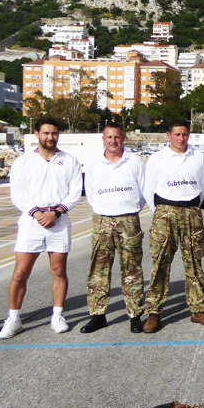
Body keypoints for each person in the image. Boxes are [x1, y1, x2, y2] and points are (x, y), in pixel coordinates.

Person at [0, 117, 82, 338]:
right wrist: (37, 214)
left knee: (59, 271)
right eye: (46, 133)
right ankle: (14, 319)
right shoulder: (23, 162)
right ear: (37, 134)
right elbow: (18, 194)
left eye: (54, 133)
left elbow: (74, 192)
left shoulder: (70, 160)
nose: (50, 137)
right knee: (20, 273)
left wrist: (56, 213)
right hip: (31, 222)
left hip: (59, 220)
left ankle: (57, 316)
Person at [140, 120, 204, 333]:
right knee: (160, 263)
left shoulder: (198, 157)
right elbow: (149, 190)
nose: (181, 138)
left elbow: (201, 188)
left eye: (185, 134)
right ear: (168, 135)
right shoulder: (157, 159)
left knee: (194, 262)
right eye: (177, 134)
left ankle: (198, 309)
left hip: (191, 211)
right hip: (165, 212)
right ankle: (154, 312)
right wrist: (161, 213)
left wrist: (190, 208)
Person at [82, 123, 147, 334]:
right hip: (102, 221)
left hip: (128, 219)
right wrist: (105, 210)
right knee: (99, 269)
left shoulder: (134, 162)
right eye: (109, 137)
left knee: (132, 269)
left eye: (117, 137)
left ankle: (135, 315)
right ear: (103, 138)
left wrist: (128, 210)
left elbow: (142, 192)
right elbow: (91, 193)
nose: (113, 141)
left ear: (123, 139)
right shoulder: (93, 164)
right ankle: (98, 315)